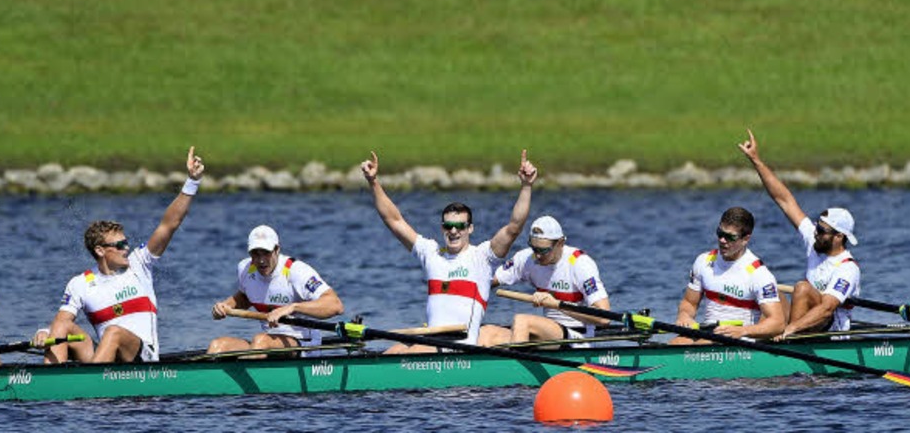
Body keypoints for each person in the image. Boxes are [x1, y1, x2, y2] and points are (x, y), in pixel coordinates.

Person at [33, 148, 207, 363]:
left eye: (127, 242)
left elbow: (169, 225)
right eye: (120, 244)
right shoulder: (80, 283)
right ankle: (50, 384)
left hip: (143, 357)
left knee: (113, 332)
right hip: (106, 358)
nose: (127, 248)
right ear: (100, 250)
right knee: (61, 326)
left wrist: (192, 182)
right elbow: (62, 320)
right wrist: (46, 334)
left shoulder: (139, 264)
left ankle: (90, 385)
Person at [365, 150, 533, 352]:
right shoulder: (431, 253)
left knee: (415, 350)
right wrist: (373, 182)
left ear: (470, 229)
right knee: (392, 352)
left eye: (460, 226)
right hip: (433, 343)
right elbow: (394, 220)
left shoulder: (482, 257)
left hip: (460, 348)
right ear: (442, 227)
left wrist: (526, 186)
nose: (454, 231)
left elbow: (513, 227)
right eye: (448, 226)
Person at [738, 131, 859, 339]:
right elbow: (784, 199)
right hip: (805, 324)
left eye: (822, 231)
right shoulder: (815, 241)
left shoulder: (848, 269)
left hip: (830, 333)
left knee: (802, 288)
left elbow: (827, 309)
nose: (816, 233)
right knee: (768, 289)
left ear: (839, 237)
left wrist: (790, 330)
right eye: (817, 227)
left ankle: (785, 340)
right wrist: (756, 161)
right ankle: (751, 337)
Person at [206, 225, 344, 355]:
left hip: (304, 345)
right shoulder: (246, 270)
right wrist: (225, 306)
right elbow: (244, 298)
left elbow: (335, 305)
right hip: (267, 343)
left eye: (266, 253)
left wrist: (292, 307)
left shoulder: (296, 271)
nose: (260, 261)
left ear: (277, 250)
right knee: (217, 346)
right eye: (255, 254)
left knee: (260, 342)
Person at [484, 216, 611, 346]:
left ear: (560, 243)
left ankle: (516, 364)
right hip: (548, 334)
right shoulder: (528, 258)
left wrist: (556, 304)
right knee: (486, 333)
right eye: (534, 249)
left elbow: (604, 317)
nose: (538, 255)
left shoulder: (580, 264)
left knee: (522, 321)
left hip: (578, 337)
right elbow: (487, 281)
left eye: (543, 250)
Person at [669, 206, 785, 344]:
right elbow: (689, 302)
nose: (723, 240)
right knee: (677, 343)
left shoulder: (759, 274)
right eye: (720, 233)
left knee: (700, 345)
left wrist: (742, 331)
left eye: (730, 237)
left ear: (746, 239)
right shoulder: (703, 261)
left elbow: (777, 323)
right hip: (708, 332)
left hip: (740, 339)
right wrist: (684, 316)